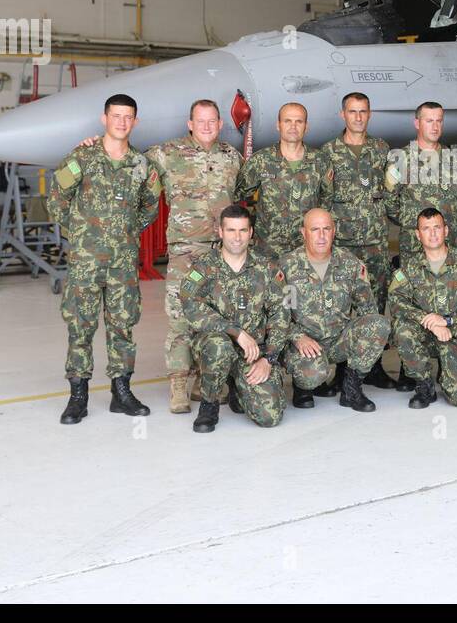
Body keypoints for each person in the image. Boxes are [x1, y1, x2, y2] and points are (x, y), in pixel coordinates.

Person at [48, 93, 162, 425]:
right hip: (86, 260)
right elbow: (56, 198)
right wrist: (81, 232)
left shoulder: (143, 165)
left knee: (122, 325)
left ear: (135, 122)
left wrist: (125, 232)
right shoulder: (82, 157)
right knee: (80, 325)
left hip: (122, 262)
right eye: (116, 116)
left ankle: (121, 392)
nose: (122, 122)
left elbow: (150, 209)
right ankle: (78, 395)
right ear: (104, 119)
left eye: (128, 117)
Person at [141, 99, 243, 414]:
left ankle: (205, 381)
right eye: (201, 121)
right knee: (181, 318)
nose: (207, 126)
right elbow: (128, 161)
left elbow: (240, 195)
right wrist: (93, 143)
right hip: (187, 252)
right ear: (189, 124)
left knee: (215, 317)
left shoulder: (231, 157)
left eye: (212, 120)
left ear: (221, 124)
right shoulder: (166, 153)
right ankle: (177, 385)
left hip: (221, 254)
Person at [178, 205, 288, 432]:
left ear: (251, 233)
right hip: (214, 347)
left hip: (253, 353)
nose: (237, 237)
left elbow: (281, 313)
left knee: (270, 417)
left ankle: (238, 388)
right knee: (219, 346)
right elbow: (191, 306)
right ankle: (209, 405)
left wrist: (269, 358)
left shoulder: (267, 268)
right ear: (220, 232)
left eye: (242, 230)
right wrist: (236, 332)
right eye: (231, 230)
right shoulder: (204, 267)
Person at [277, 209, 390, 413]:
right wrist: (297, 337)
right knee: (312, 375)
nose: (321, 236)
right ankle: (302, 388)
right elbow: (277, 314)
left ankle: (351, 387)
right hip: (304, 344)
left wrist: (358, 350)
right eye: (315, 229)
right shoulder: (287, 266)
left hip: (339, 341)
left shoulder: (350, 264)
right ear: (304, 232)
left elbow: (368, 310)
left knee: (379, 324)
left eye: (326, 229)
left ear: (334, 231)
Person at [319, 92, 394, 390]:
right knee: (339, 306)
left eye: (363, 111)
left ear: (370, 114)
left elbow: (389, 191)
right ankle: (340, 371)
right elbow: (322, 198)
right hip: (342, 245)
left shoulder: (381, 149)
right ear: (343, 115)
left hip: (375, 241)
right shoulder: (328, 152)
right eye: (353, 112)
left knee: (375, 304)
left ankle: (373, 367)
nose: (358, 117)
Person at [388, 208, 457, 409]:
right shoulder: (410, 266)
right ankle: (424, 383)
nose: (433, 233)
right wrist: (428, 319)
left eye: (437, 227)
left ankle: (448, 374)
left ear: (446, 230)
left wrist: (448, 321)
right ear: (418, 235)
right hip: (425, 334)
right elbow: (396, 301)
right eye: (426, 229)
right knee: (402, 329)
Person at [235, 102, 333, 259]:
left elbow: (326, 202)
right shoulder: (261, 160)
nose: (293, 126)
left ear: (306, 127)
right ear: (278, 125)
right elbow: (239, 197)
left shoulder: (320, 161)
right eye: (287, 121)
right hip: (267, 251)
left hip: (306, 251)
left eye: (299, 121)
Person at [385, 101, 457, 261]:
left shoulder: (454, 158)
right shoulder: (400, 158)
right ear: (417, 123)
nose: (435, 127)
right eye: (429, 121)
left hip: (449, 243)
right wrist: (411, 222)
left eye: (439, 121)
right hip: (413, 245)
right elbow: (389, 200)